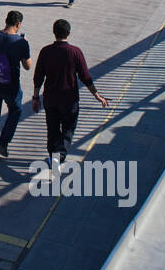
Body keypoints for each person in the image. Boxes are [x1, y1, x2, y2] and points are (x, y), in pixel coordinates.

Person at [31, 19, 110, 167]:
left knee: (52, 129)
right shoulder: (75, 52)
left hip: (50, 98)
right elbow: (85, 76)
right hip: (69, 99)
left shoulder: (45, 51)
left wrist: (35, 97)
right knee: (68, 129)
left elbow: (38, 77)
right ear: (69, 33)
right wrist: (96, 95)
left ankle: (53, 156)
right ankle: (59, 156)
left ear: (54, 33)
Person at [0, 10, 32, 158]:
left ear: (6, 20)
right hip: (10, 86)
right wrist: (26, 44)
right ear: (18, 24)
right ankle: (3, 142)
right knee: (15, 110)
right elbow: (28, 66)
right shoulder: (21, 42)